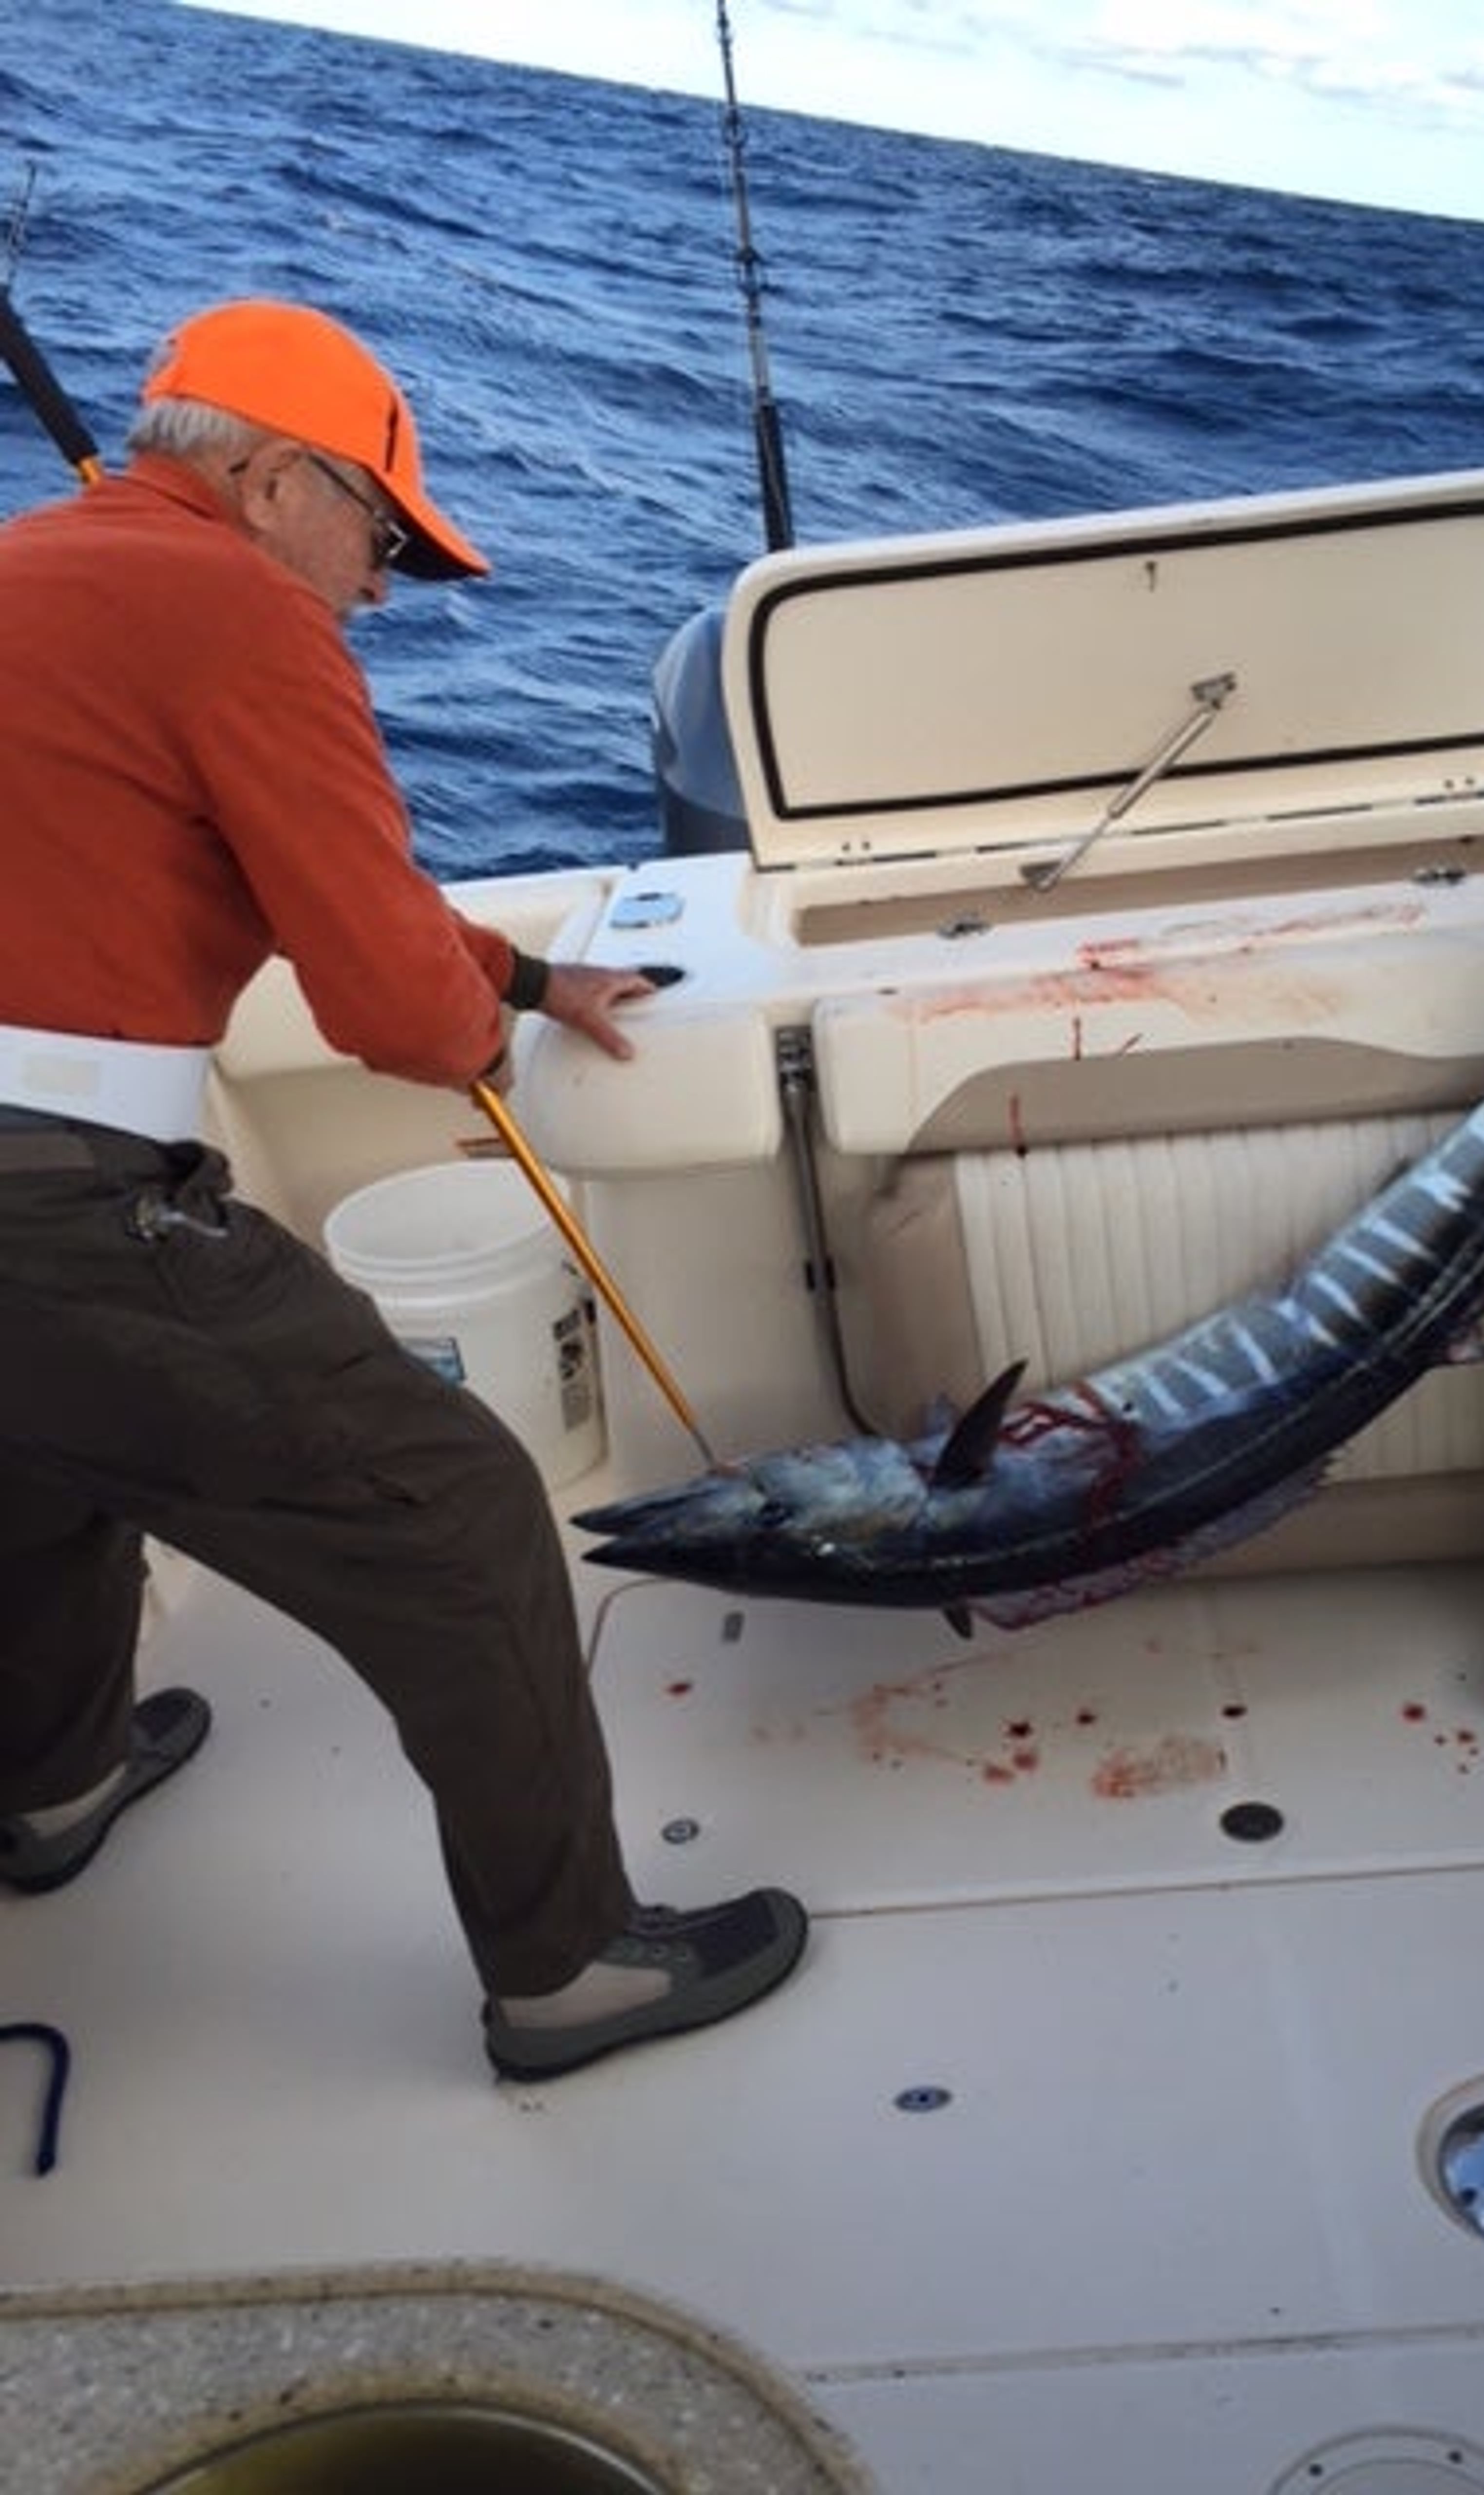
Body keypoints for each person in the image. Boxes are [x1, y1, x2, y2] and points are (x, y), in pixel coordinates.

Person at [0, 298, 807, 2073]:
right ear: (280, 481)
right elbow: (382, 1001)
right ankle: (570, 1967)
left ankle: (50, 1789)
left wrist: (525, 977)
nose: (379, 586)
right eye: (382, 535)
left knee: (48, 1462)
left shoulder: (43, 571)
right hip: (49, 1205)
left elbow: (257, 880)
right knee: (455, 1515)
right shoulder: (245, 615)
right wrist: (472, 1021)